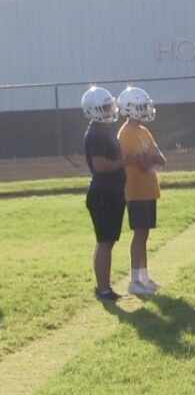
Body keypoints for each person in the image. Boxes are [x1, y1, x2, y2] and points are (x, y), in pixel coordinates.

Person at [116, 87, 165, 296]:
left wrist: (150, 156)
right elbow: (144, 164)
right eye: (142, 106)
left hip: (148, 189)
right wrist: (149, 156)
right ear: (131, 108)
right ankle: (134, 280)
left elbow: (160, 159)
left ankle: (144, 277)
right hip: (136, 189)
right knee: (139, 234)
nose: (146, 109)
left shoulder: (143, 131)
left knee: (144, 234)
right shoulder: (126, 133)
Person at [82, 87, 128, 302]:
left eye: (110, 105)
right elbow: (100, 165)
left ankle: (104, 287)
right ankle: (103, 289)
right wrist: (124, 162)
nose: (110, 110)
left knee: (107, 241)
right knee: (104, 241)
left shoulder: (103, 131)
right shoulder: (96, 134)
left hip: (110, 192)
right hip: (103, 193)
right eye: (105, 107)